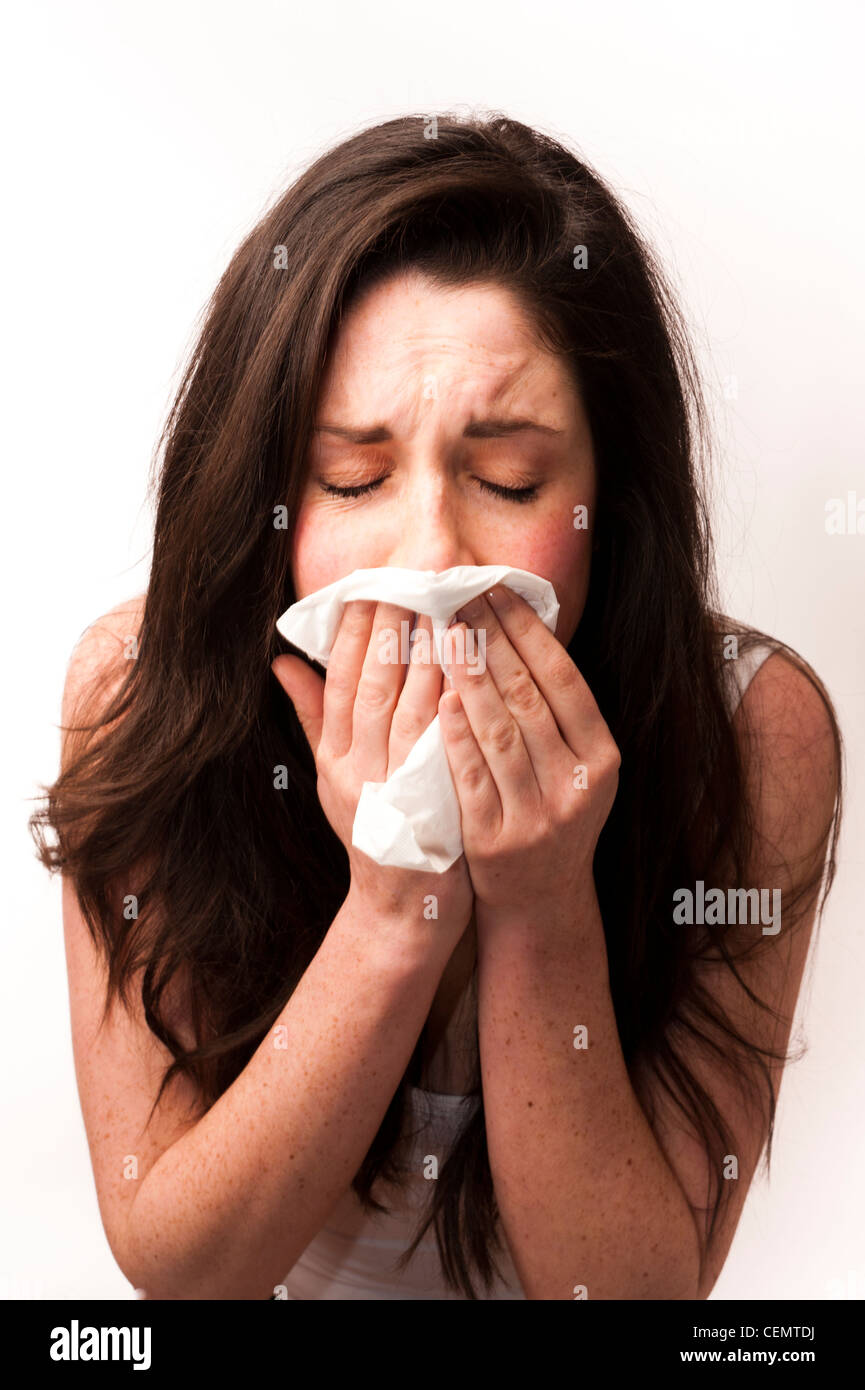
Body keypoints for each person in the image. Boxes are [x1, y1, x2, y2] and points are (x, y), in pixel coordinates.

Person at [31, 112, 843, 1301]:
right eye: (352, 477)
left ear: (607, 503)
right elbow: (184, 1271)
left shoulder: (752, 734)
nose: (428, 556)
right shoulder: (137, 687)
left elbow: (629, 1299)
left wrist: (541, 901)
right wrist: (396, 901)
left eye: (509, 479)